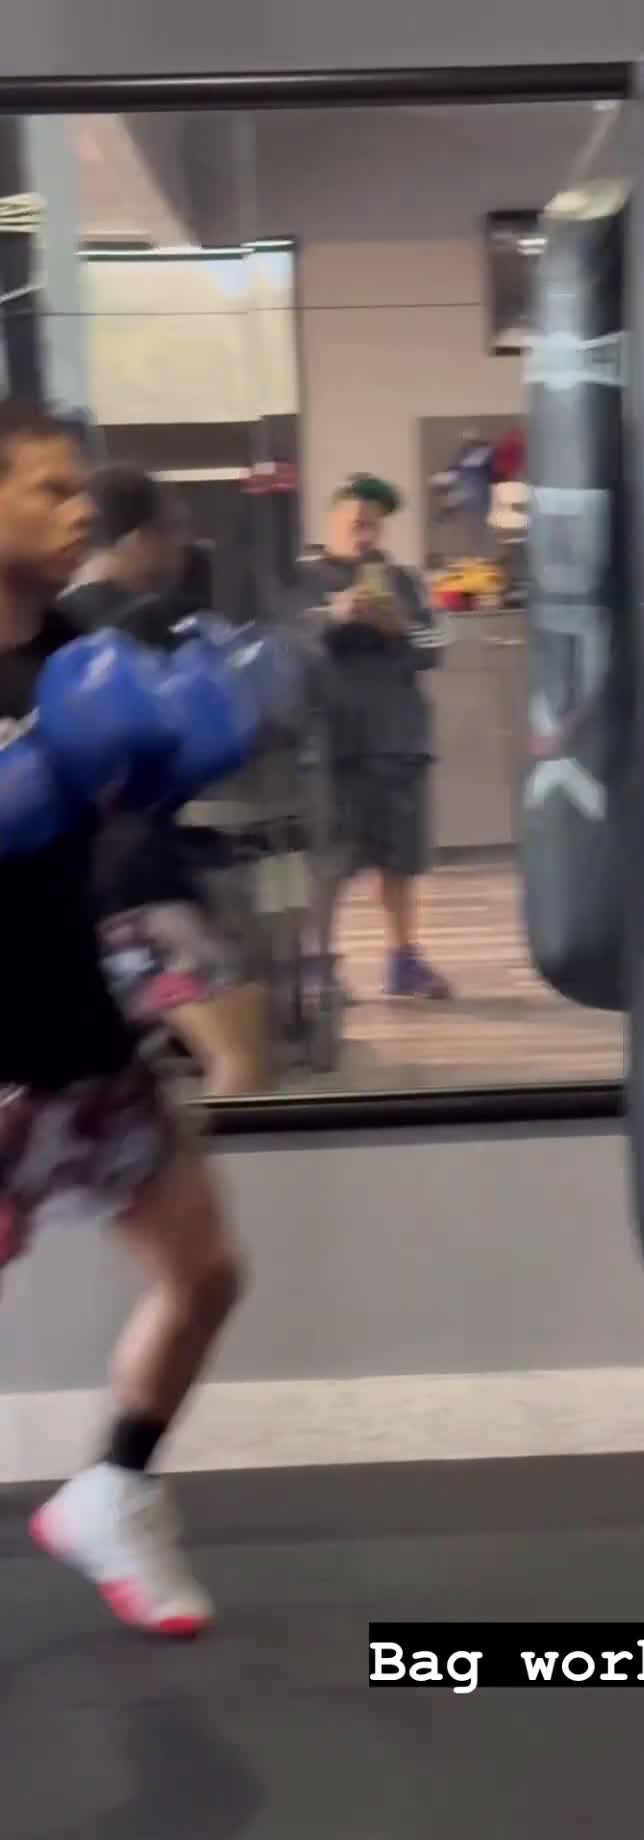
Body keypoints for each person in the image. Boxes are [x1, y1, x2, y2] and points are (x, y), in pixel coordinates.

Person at [0, 404, 243, 1636]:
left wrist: (189, 976)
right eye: (47, 489)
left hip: (76, 1039)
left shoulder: (87, 649)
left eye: (78, 489)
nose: (79, 509)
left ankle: (112, 1493)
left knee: (204, 1274)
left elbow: (128, 851)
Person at [62, 465, 268, 1098]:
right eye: (172, 534)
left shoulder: (46, 626)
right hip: (136, 884)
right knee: (237, 1054)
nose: (179, 552)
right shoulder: (149, 624)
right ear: (139, 538)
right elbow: (198, 751)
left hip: (76, 889)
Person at [302, 472, 452, 1000]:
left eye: (373, 526)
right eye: (356, 524)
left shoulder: (404, 580)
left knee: (400, 859)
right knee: (330, 861)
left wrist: (397, 629)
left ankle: (405, 960)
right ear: (333, 523)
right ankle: (320, 964)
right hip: (333, 744)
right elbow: (287, 647)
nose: (365, 536)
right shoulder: (305, 579)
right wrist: (332, 618)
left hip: (397, 741)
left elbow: (435, 647)